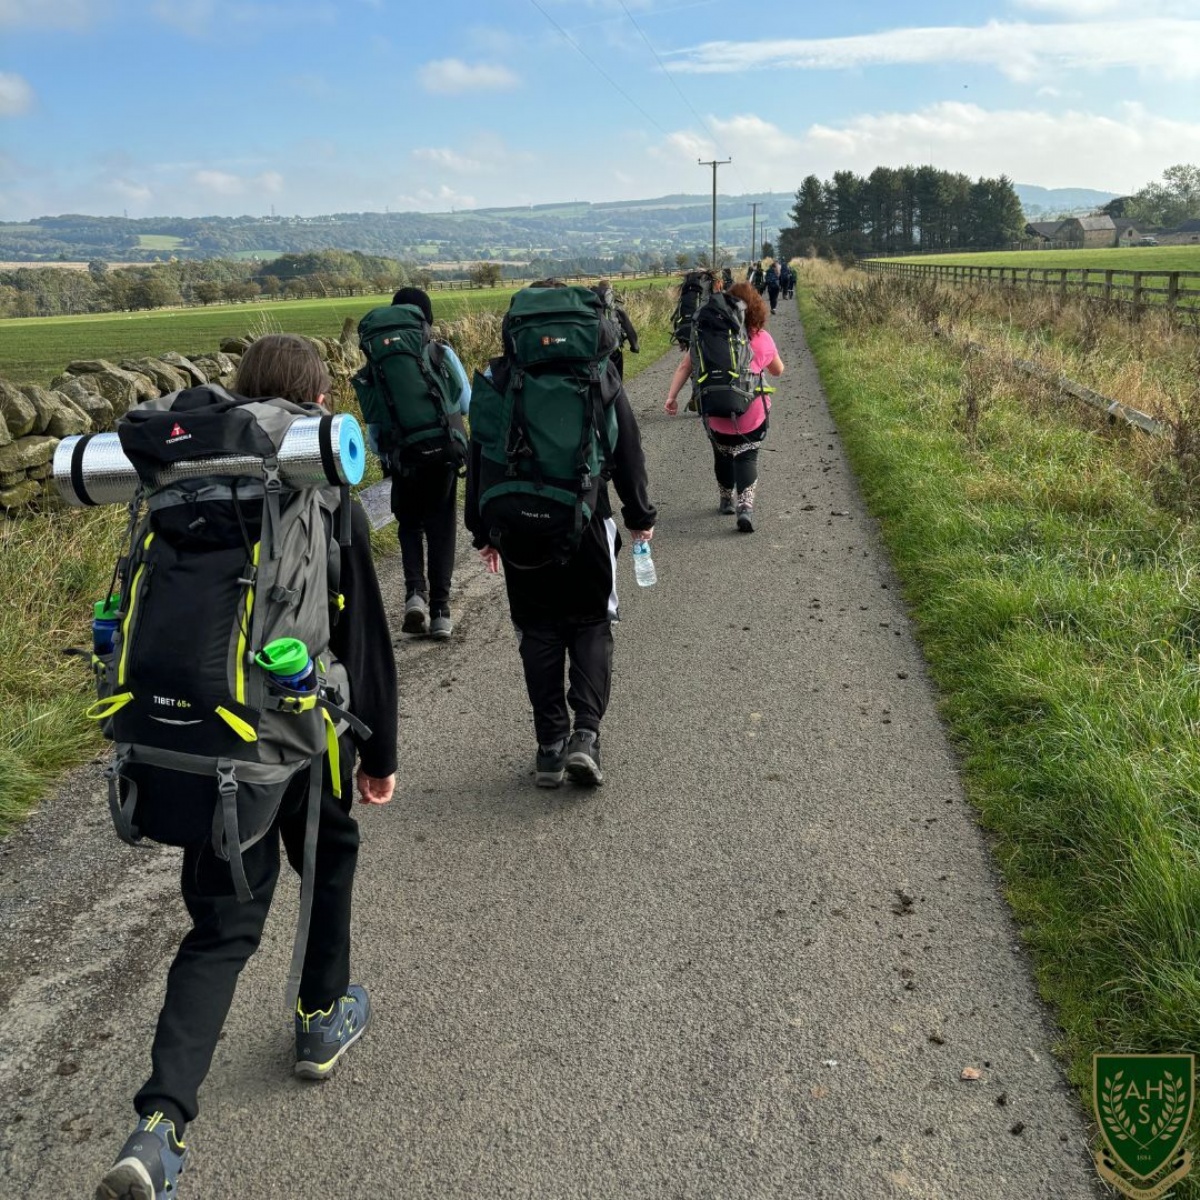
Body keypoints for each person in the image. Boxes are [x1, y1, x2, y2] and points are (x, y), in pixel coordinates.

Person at [96, 334, 398, 1200]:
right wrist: (379, 753)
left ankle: (158, 1129)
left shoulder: (183, 483)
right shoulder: (316, 486)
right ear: (315, 400)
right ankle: (320, 1018)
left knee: (221, 926)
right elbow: (362, 634)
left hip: (200, 730)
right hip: (302, 730)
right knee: (329, 856)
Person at [465, 281, 657, 789]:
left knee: (538, 629)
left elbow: (479, 454)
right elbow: (628, 451)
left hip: (517, 527)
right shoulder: (600, 375)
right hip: (587, 520)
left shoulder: (499, 377)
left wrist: (482, 530)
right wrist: (640, 515)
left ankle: (550, 746)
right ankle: (585, 737)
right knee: (592, 623)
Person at [375, 286, 471, 641]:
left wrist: (385, 454)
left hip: (401, 457)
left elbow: (374, 421)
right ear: (426, 317)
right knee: (441, 528)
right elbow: (466, 402)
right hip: (442, 454)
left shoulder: (378, 357)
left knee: (409, 525)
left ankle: (414, 593)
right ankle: (441, 612)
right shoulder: (439, 351)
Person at [663, 282, 784, 533]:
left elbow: (685, 367)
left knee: (722, 455)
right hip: (751, 414)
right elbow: (778, 370)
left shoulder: (707, 338)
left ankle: (726, 499)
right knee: (747, 455)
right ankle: (745, 507)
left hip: (715, 412)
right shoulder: (761, 337)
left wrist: (671, 397)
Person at [595, 279, 640, 379]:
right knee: (617, 378)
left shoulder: (591, 306)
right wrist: (635, 346)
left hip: (595, 350)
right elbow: (628, 327)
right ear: (610, 289)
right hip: (614, 350)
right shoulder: (615, 307)